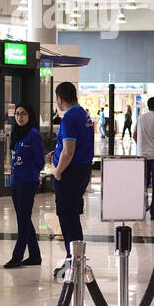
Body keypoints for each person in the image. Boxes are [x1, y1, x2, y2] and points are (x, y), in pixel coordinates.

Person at [50, 81, 94, 280]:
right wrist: (57, 153)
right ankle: (74, 260)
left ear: (59, 98)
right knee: (72, 216)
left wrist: (58, 172)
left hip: (70, 173)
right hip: (82, 170)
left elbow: (69, 151)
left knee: (68, 218)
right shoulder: (84, 114)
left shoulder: (68, 118)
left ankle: (74, 262)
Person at [4, 103, 45, 268]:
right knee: (24, 218)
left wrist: (34, 174)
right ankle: (35, 255)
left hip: (28, 182)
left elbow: (40, 160)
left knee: (23, 219)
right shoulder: (15, 132)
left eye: (24, 114)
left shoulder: (33, 134)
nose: (20, 117)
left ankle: (17, 255)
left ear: (30, 116)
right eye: (18, 114)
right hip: (16, 181)